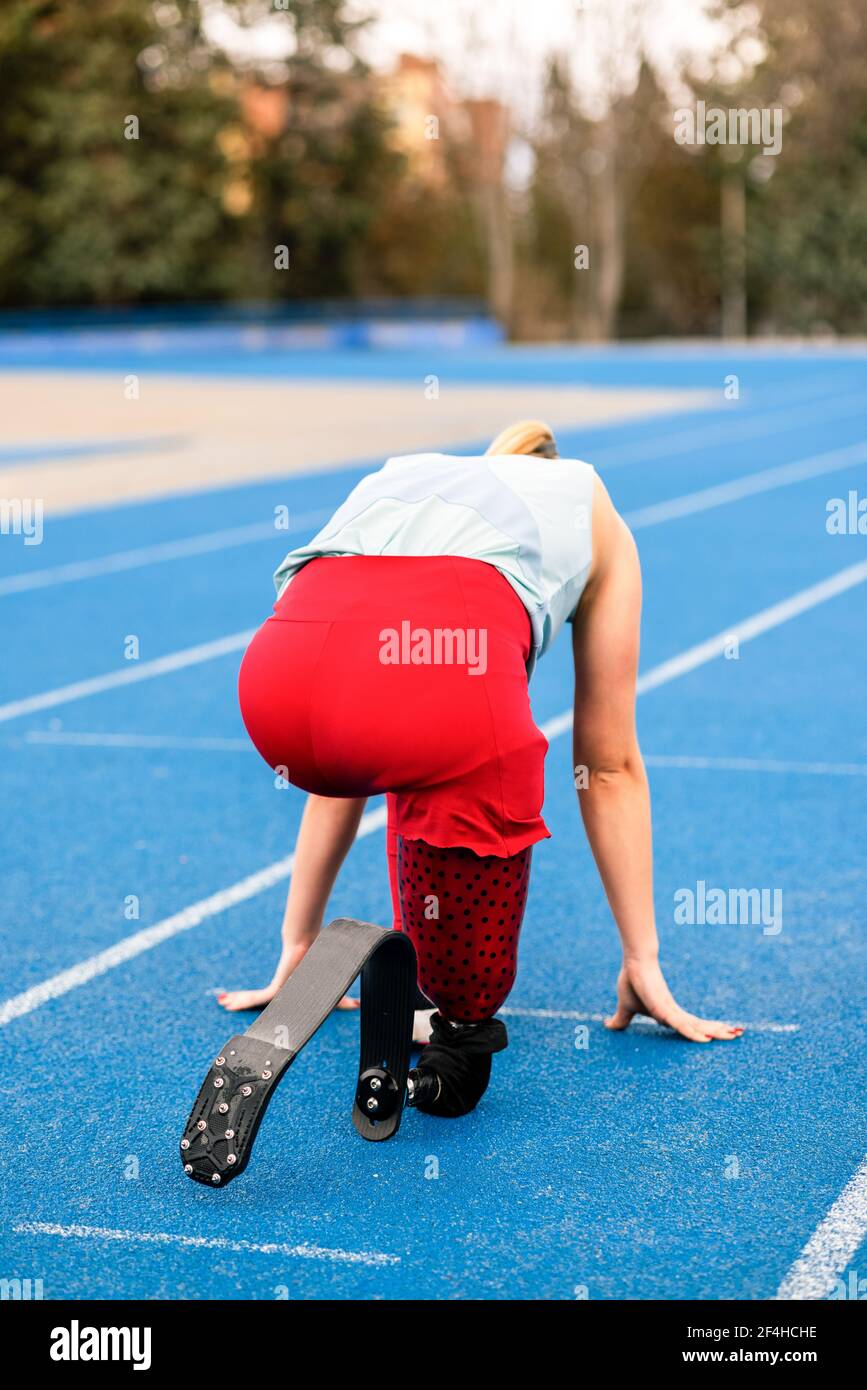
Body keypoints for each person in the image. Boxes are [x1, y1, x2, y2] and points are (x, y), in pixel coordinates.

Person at [218, 420, 742, 1117]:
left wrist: (298, 943)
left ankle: (394, 984)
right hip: (445, 679)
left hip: (279, 684)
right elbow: (607, 766)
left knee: (411, 745)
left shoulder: (406, 469)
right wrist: (642, 959)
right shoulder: (590, 502)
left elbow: (345, 762)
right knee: (465, 998)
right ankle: (446, 1045)